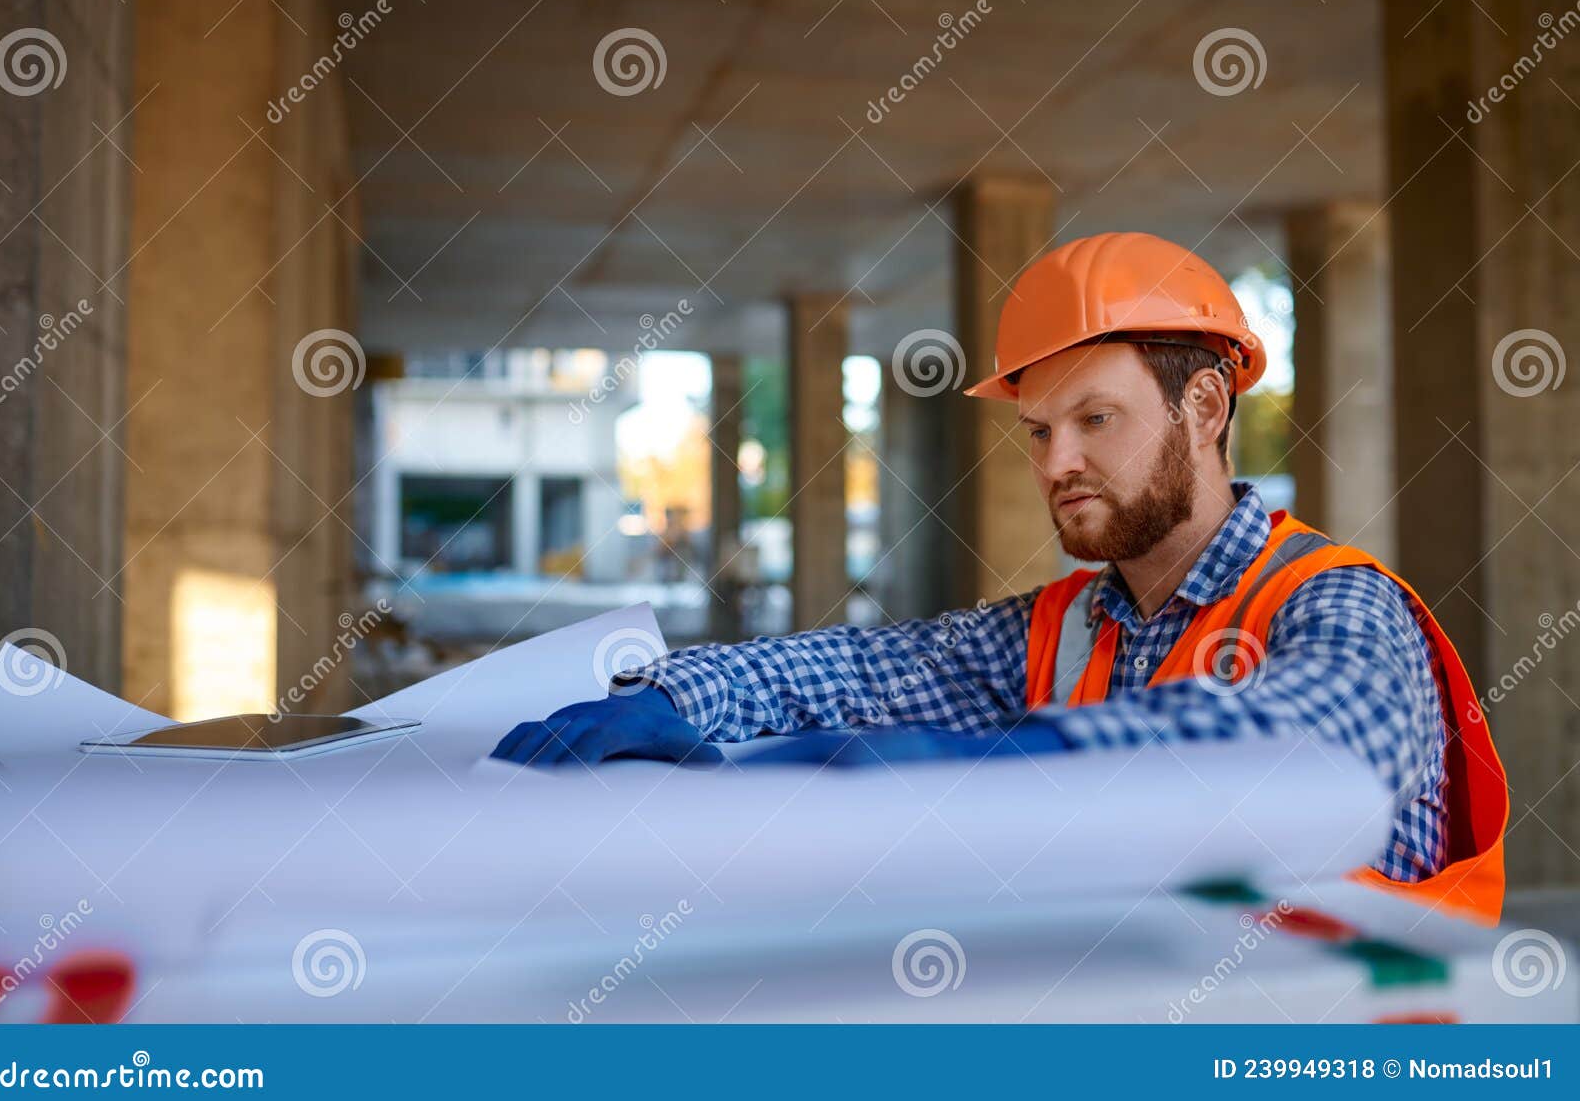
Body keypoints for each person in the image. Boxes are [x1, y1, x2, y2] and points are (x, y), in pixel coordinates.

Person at [491, 231, 1508, 924]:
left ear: (1203, 409)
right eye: (1036, 431)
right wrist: (679, 694)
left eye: (1093, 420)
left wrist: (1018, 762)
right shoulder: (1067, 627)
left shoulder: (1338, 603)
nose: (1054, 462)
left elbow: (1316, 759)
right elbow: (862, 667)